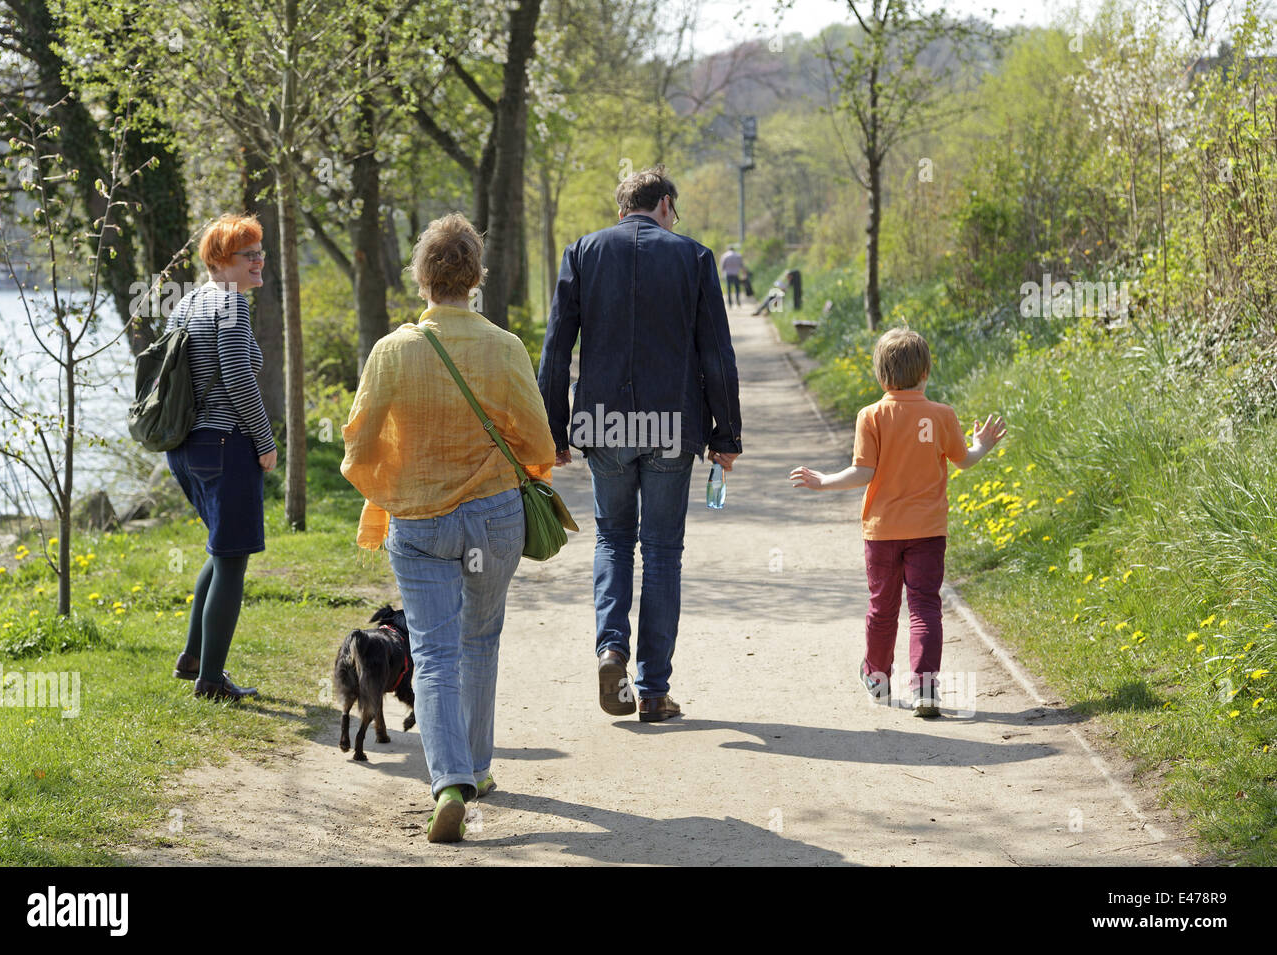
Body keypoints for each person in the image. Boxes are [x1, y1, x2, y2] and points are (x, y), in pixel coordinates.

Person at [341, 213, 555, 843]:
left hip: (419, 522)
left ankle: (450, 783)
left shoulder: (392, 351)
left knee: (432, 654)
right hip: (494, 518)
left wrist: (398, 484)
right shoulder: (505, 347)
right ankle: (481, 767)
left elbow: (356, 445)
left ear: (421, 277)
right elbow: (538, 441)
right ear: (476, 277)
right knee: (481, 641)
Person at [538, 164, 743, 723]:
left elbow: (556, 349)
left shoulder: (582, 253)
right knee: (661, 551)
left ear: (621, 209)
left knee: (611, 539)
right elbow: (716, 354)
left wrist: (553, 433)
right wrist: (726, 436)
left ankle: (611, 650)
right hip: (672, 426)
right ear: (666, 205)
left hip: (603, 425)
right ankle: (653, 691)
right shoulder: (695, 257)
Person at [788, 328, 1005, 717]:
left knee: (883, 607)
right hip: (928, 532)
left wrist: (823, 482)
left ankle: (877, 675)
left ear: (880, 376)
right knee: (924, 606)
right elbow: (964, 460)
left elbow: (862, 472)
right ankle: (926, 687)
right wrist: (982, 445)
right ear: (926, 373)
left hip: (883, 531)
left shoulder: (871, 415)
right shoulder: (942, 415)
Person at [167, 213, 276, 702]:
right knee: (232, 558)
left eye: (259, 252)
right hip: (225, 444)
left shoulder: (187, 303)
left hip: (186, 447)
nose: (258, 261)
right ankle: (211, 681)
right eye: (248, 254)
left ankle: (192, 658)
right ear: (220, 261)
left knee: (219, 548)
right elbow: (237, 377)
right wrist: (266, 440)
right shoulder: (230, 305)